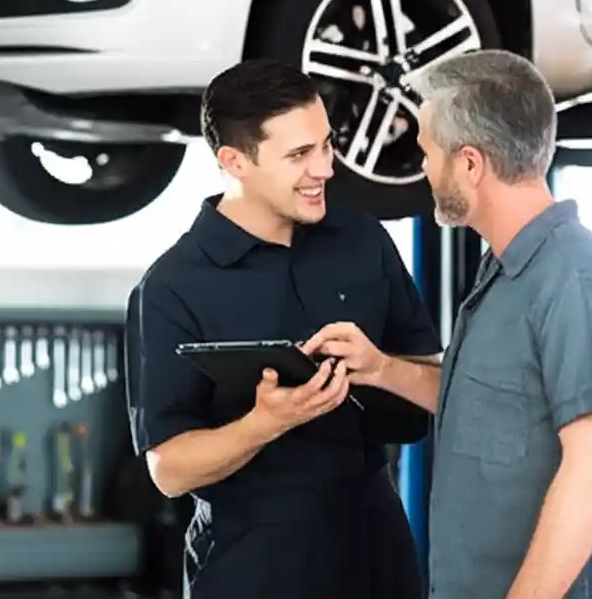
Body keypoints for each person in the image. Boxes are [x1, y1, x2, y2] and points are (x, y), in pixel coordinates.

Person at [303, 49, 592, 599]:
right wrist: (382, 368)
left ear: (470, 164)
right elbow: (493, 405)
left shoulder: (575, 280)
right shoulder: (505, 269)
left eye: (427, 153)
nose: (423, 168)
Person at [123, 58, 443, 599]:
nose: (325, 168)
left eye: (325, 144)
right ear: (234, 162)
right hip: (252, 562)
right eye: (299, 155)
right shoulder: (172, 287)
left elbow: (440, 386)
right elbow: (169, 469)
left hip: (376, 548)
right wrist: (265, 423)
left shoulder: (363, 240)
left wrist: (384, 368)